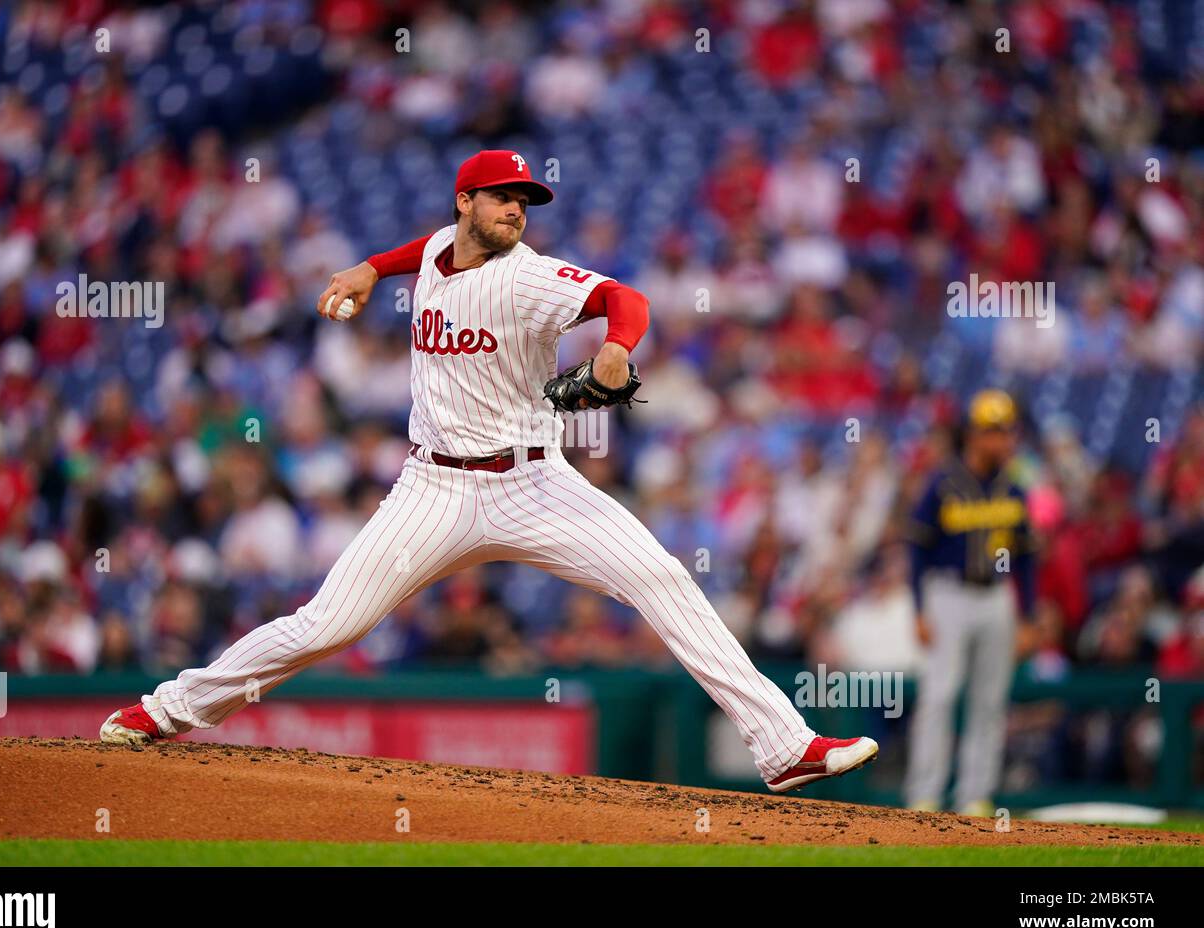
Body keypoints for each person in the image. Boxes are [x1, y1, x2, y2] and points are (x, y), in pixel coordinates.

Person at [100, 149, 878, 793]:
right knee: (325, 626)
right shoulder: (440, 249)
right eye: (503, 197)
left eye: (524, 200)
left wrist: (616, 347)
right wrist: (371, 268)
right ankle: (166, 710)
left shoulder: (525, 276)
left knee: (663, 576)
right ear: (464, 203)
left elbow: (624, 297)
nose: (516, 210)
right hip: (433, 488)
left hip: (533, 485)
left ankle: (784, 747)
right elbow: (425, 252)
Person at [904, 389, 1037, 815]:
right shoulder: (943, 483)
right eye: (994, 431)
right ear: (975, 435)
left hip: (997, 594)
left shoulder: (1013, 487)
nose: (1004, 439)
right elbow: (916, 550)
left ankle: (975, 795)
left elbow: (1026, 557)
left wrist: (1028, 616)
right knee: (940, 695)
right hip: (949, 594)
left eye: (1007, 431)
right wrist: (918, 609)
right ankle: (925, 794)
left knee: (989, 700)